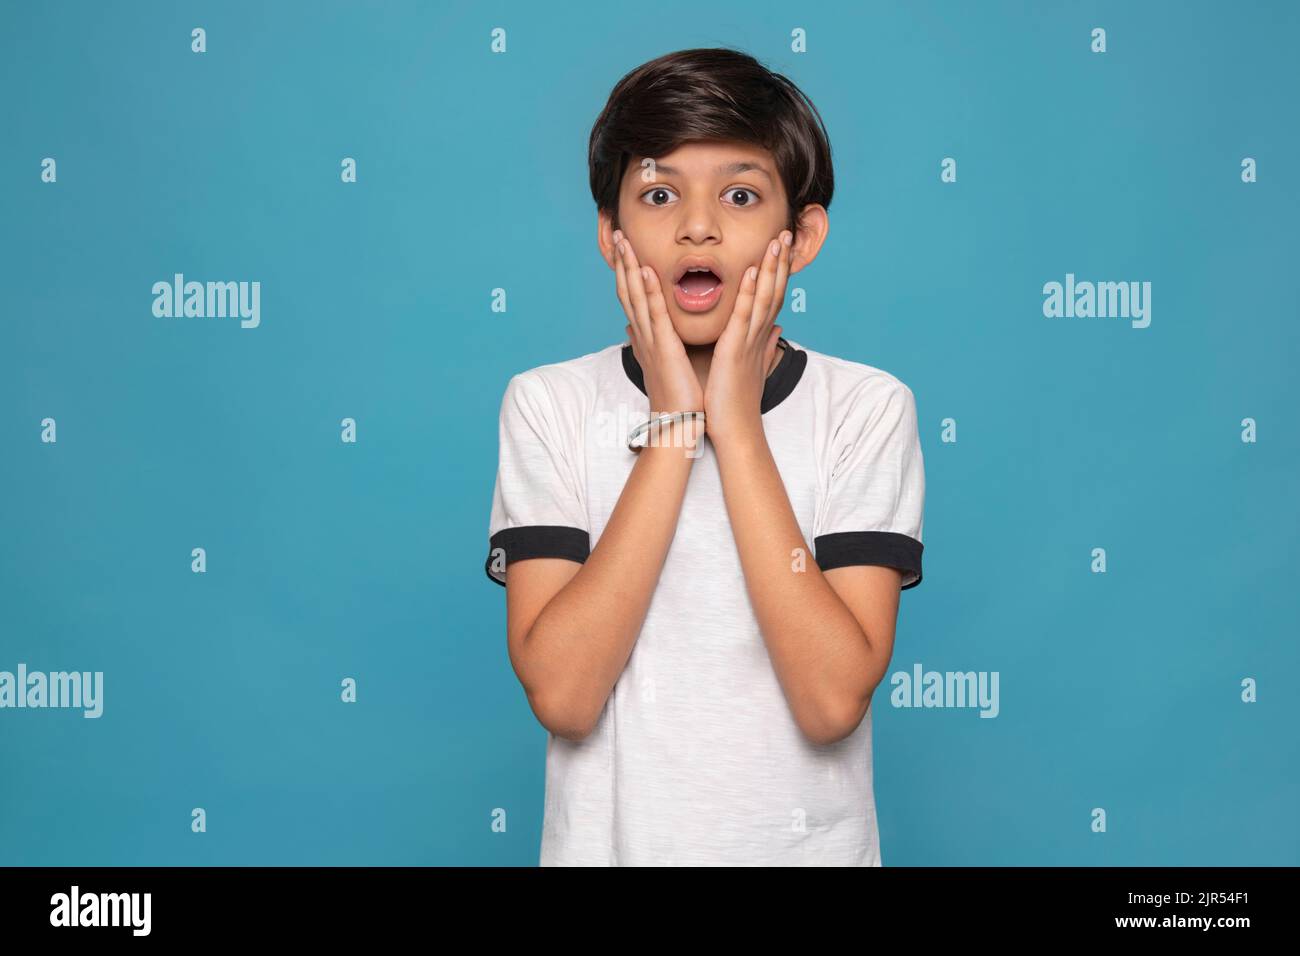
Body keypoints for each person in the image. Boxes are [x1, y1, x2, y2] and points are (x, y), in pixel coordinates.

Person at [483, 47, 926, 866]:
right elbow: (565, 695)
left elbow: (832, 700)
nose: (697, 224)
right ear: (613, 238)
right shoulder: (547, 405)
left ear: (801, 237)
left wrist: (739, 427)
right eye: (658, 194)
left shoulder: (866, 410)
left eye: (741, 195)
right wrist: (676, 428)